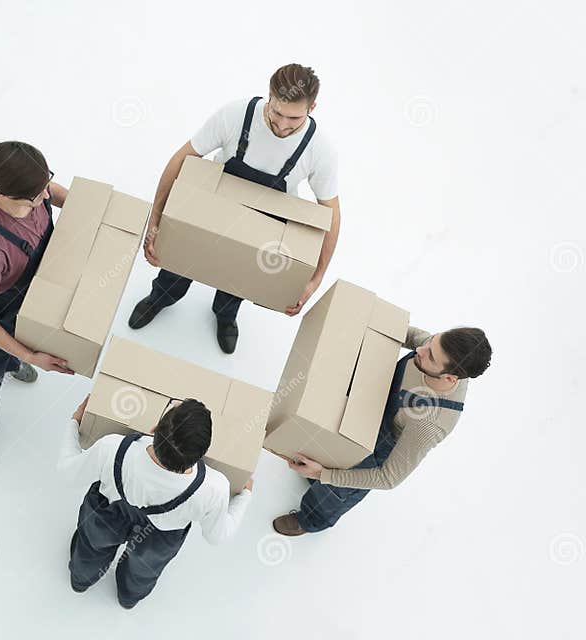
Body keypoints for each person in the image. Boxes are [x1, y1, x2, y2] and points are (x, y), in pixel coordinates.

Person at [129, 63, 341, 354]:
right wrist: (155, 219)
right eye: (276, 112)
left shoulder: (320, 150)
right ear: (269, 95)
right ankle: (162, 297)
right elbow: (182, 157)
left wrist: (316, 278)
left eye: (293, 118)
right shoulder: (235, 115)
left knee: (239, 278)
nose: (281, 124)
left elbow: (331, 214)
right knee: (180, 258)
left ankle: (225, 315)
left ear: (312, 107)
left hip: (260, 224)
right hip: (210, 205)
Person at [272, 326, 492, 536]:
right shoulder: (438, 349)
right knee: (329, 446)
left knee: (335, 492)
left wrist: (324, 474)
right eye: (432, 341)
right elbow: (408, 335)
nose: (420, 350)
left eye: (431, 356)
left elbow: (388, 478)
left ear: (450, 378)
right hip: (369, 407)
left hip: (379, 447)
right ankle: (318, 475)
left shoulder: (430, 422)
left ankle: (311, 519)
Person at [59, 396, 253, 609]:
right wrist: (244, 497)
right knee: (142, 571)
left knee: (91, 548)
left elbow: (69, 472)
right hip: (160, 537)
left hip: (106, 514)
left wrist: (73, 423)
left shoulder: (112, 447)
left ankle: (80, 580)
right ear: (203, 454)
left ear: (153, 429)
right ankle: (128, 597)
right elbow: (217, 536)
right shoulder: (214, 488)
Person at [0, 141, 74, 467]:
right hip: (2, 308)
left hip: (35, 287)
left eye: (44, 185)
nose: (46, 197)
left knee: (25, 336)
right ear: (8, 195)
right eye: (37, 196)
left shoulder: (29, 186)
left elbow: (51, 189)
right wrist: (31, 357)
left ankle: (13, 360)